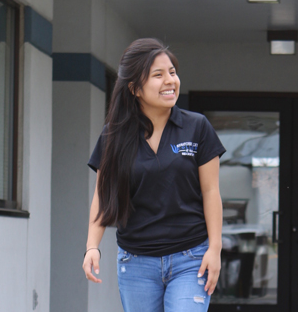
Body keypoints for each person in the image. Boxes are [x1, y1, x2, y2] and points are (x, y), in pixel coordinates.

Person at [81, 38, 226, 312]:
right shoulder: (113, 135)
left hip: (191, 257)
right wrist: (92, 247)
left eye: (172, 72)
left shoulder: (197, 127)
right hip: (136, 262)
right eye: (158, 75)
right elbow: (103, 196)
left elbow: (211, 192)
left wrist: (215, 248)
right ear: (135, 88)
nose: (170, 80)